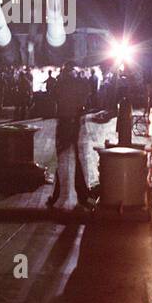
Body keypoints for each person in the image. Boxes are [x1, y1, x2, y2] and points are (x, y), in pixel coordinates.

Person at [48, 61, 91, 208]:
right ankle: (83, 195)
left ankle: (57, 196)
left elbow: (54, 95)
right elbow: (85, 96)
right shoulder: (78, 82)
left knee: (62, 160)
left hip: (65, 121)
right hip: (75, 120)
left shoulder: (61, 83)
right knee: (76, 160)